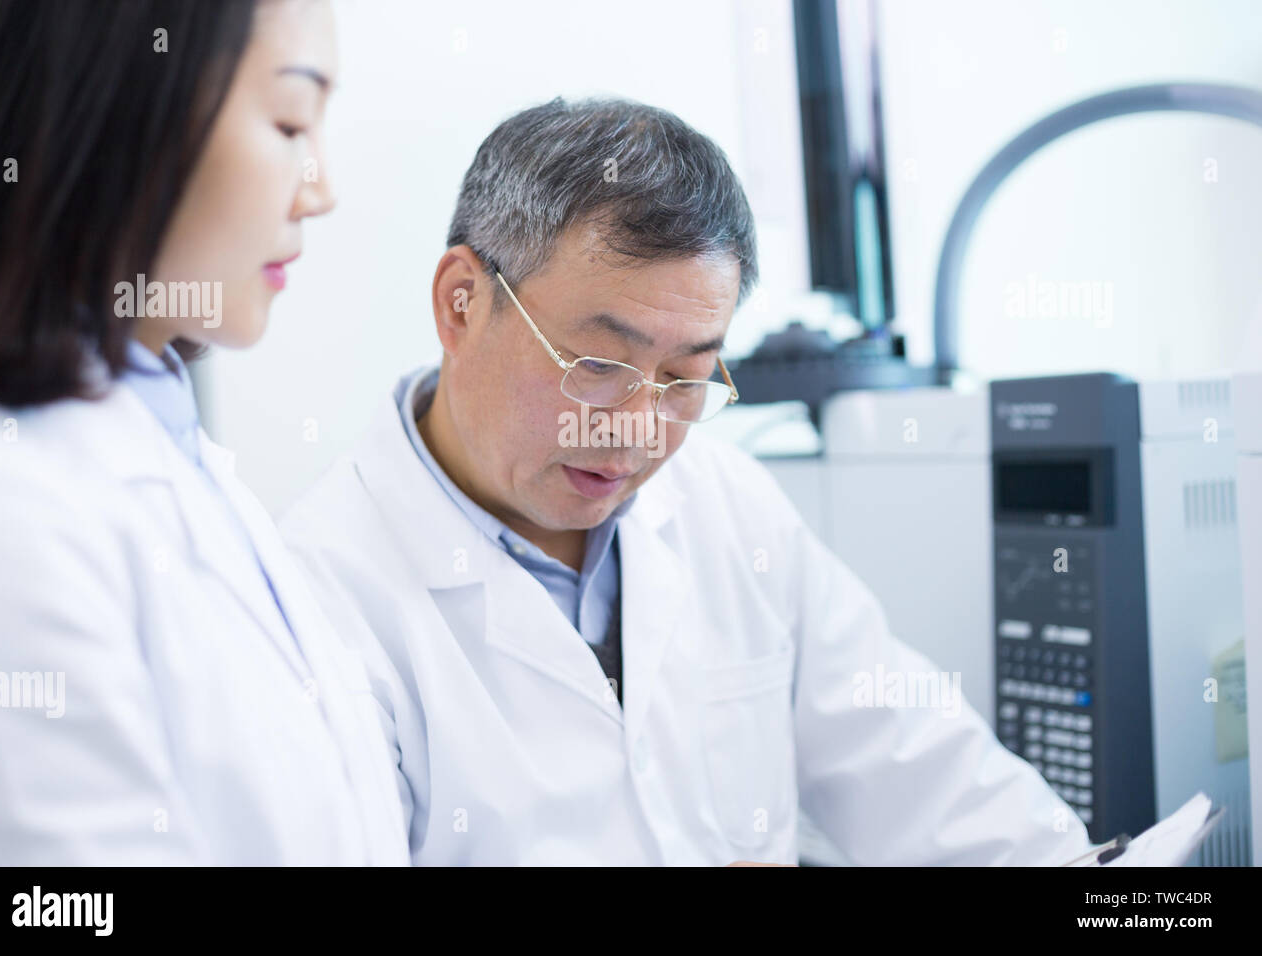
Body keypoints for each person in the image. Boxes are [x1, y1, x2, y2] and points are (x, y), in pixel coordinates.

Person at [280, 97, 1096, 865]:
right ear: (462, 304)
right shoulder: (320, 594)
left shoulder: (727, 505)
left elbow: (925, 773)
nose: (639, 429)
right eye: (597, 365)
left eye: (685, 378)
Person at [0, 0, 407, 865]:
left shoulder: (177, 451)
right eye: (291, 122)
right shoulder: (2, 504)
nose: (320, 191)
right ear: (120, 105)